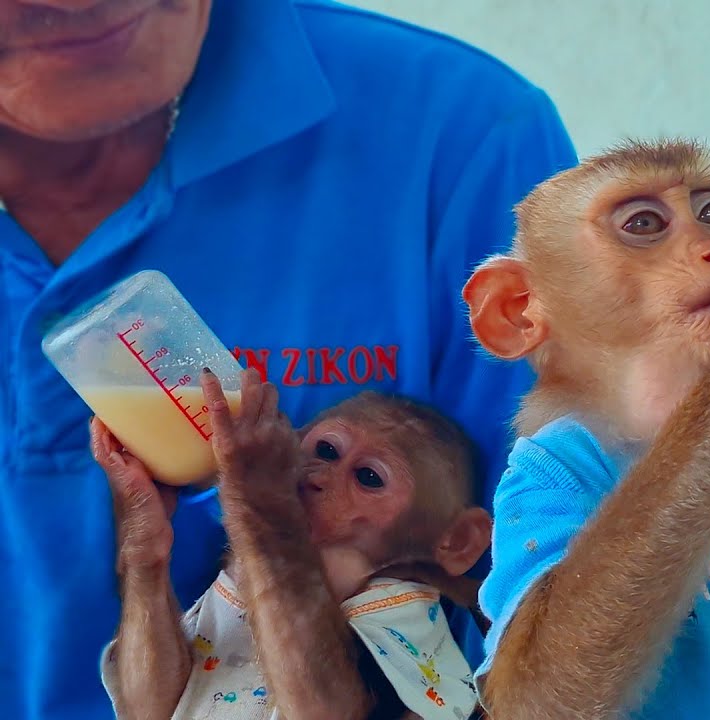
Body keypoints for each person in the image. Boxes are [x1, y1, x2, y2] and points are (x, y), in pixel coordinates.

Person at [0, 1, 576, 718]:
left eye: (366, 477)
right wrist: (147, 553)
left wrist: (260, 513)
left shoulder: (458, 137)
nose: (315, 475)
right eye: (325, 449)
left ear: (457, 542)